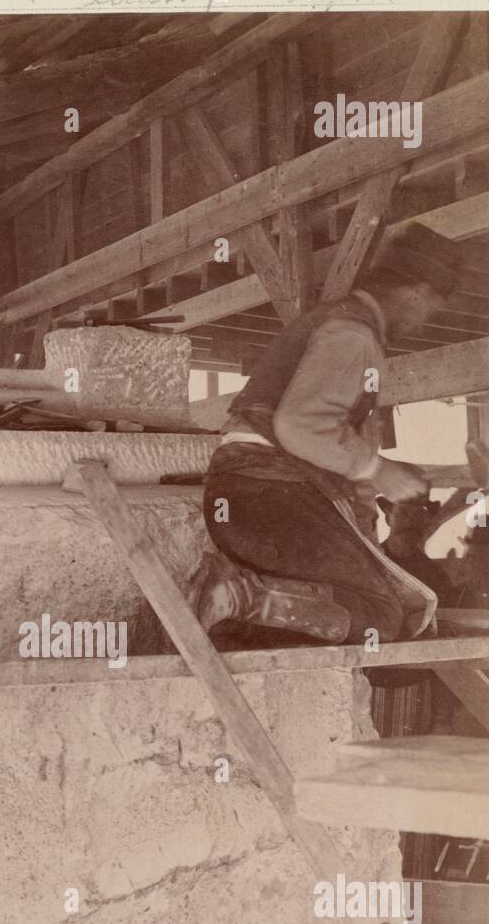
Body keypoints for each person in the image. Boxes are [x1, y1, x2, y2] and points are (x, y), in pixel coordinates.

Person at [192, 223, 464, 646]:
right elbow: (298, 426)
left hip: (245, 496)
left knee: (341, 614)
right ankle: (241, 596)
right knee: (381, 614)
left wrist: (369, 479)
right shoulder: (354, 334)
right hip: (270, 494)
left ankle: (238, 615)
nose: (423, 322)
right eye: (430, 309)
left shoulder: (336, 320)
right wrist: (378, 468)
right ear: (417, 292)